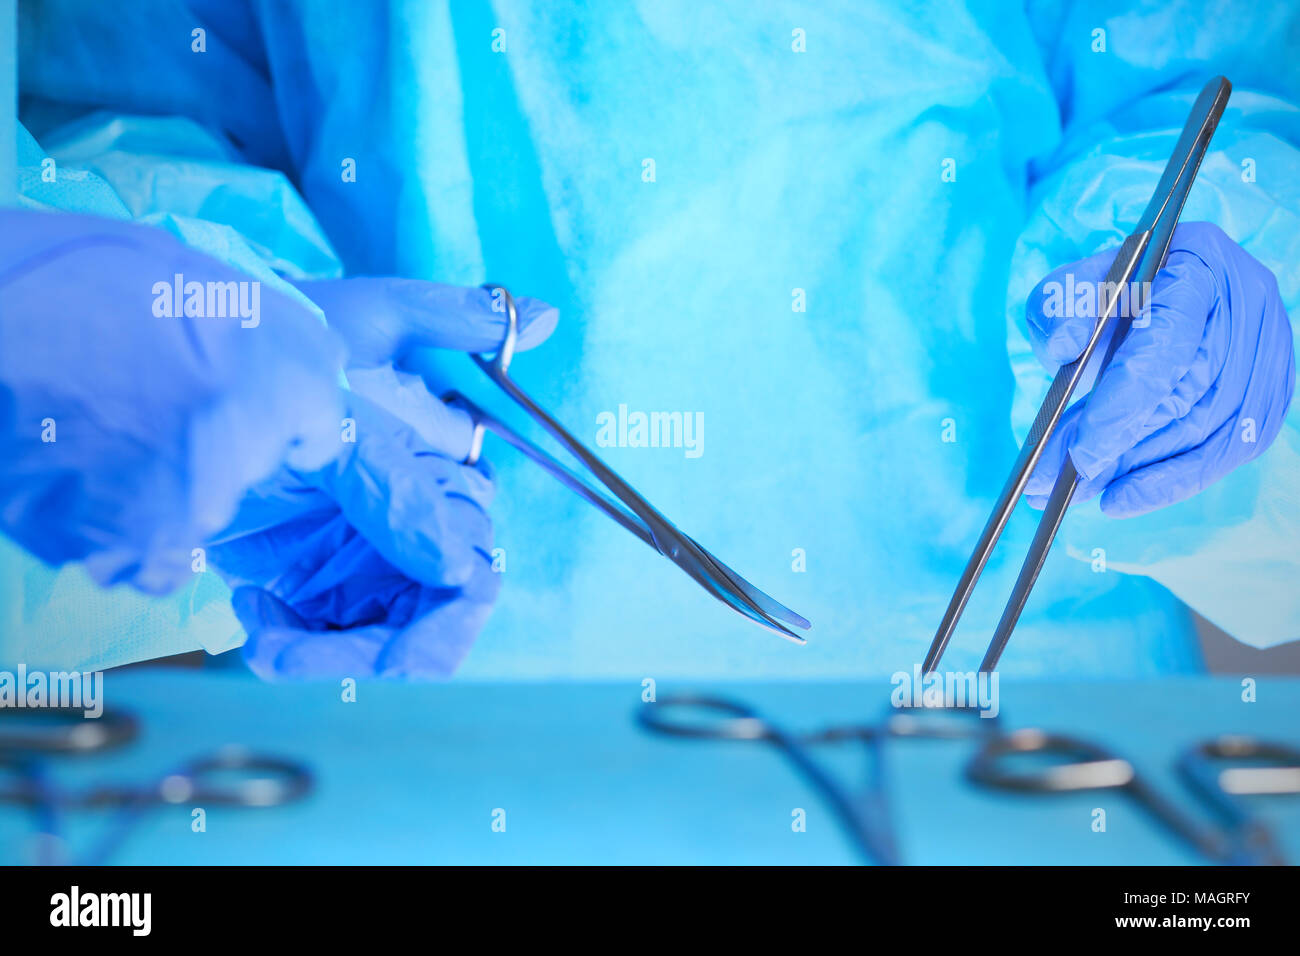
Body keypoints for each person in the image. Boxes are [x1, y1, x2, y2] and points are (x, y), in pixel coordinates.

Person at [3, 0, 1296, 679]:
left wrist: (1218, 277)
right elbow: (122, 116)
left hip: (1030, 727)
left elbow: (1224, 81)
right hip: (428, 718)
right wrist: (246, 327)